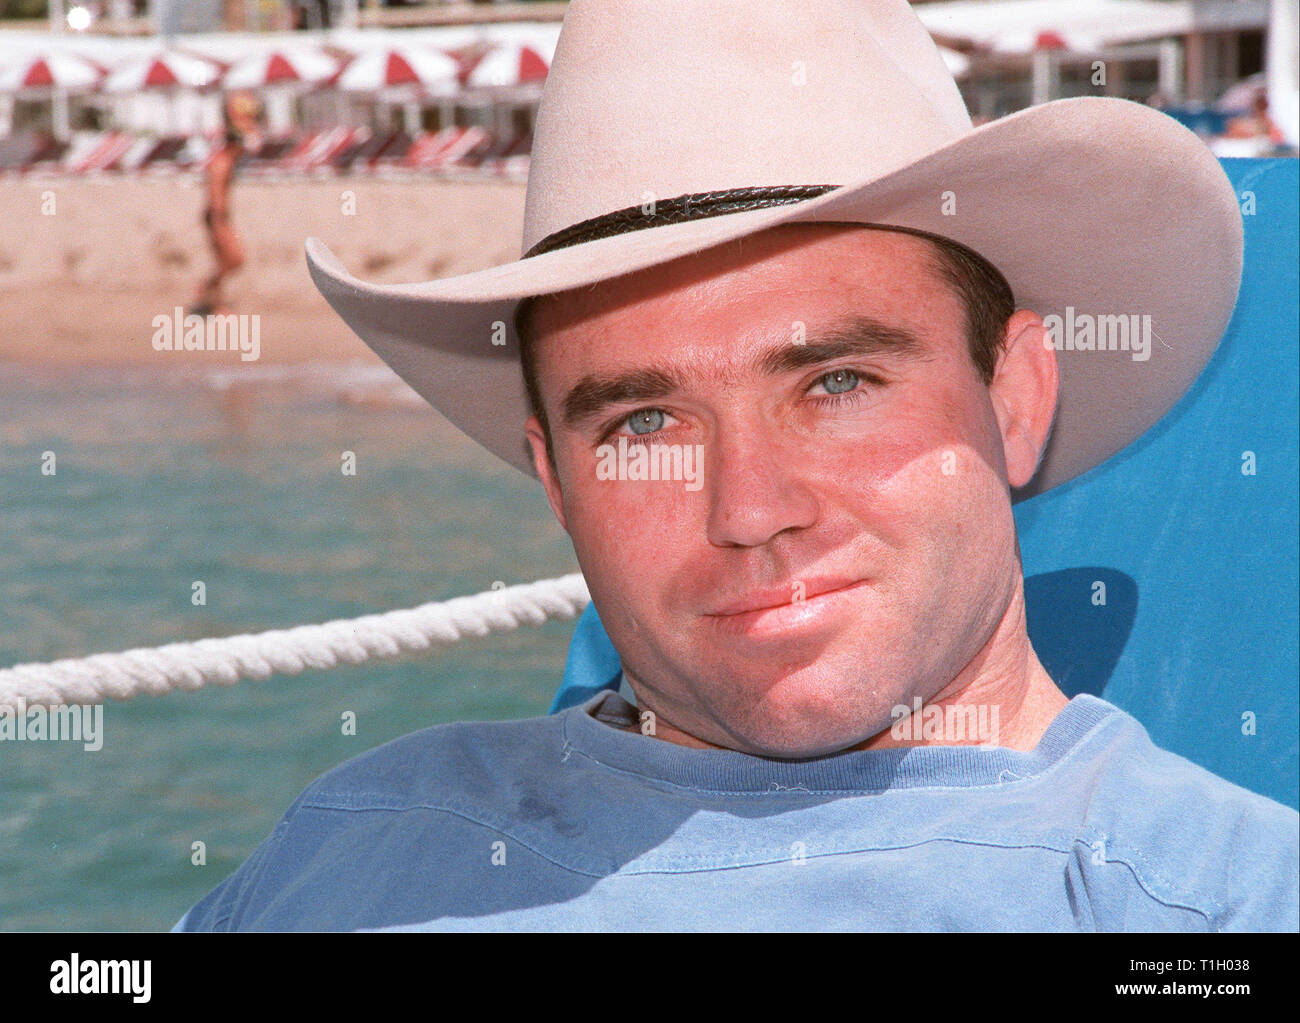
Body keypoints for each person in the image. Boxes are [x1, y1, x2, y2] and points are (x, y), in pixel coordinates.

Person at [175, 0, 1298, 931]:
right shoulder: (354, 843)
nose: (749, 511)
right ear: (554, 479)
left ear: (1013, 398)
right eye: (646, 425)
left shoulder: (1211, 904)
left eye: (836, 385)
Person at [189, 92, 261, 317]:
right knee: (235, 260)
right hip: (217, 216)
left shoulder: (226, 160)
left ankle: (215, 304)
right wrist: (219, 223)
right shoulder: (221, 163)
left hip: (219, 215)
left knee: (224, 260)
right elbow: (214, 198)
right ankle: (205, 288)